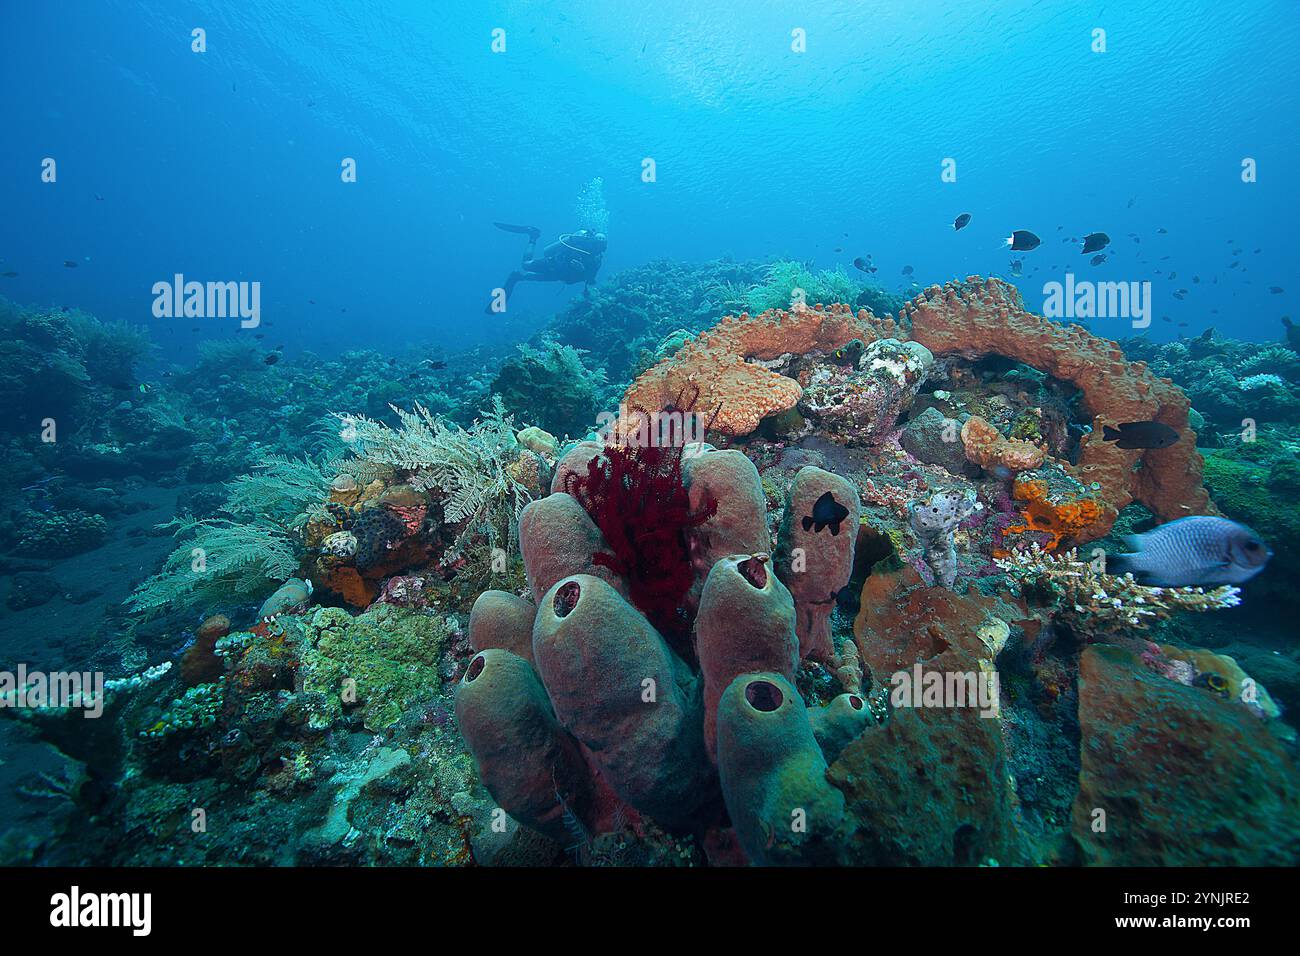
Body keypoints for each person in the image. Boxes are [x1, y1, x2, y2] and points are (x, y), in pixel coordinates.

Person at [488, 222, 607, 311]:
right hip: (553, 264)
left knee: (525, 276)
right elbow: (553, 251)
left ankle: (515, 279)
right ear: (592, 241)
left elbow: (591, 280)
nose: (597, 249)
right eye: (597, 244)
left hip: (558, 276)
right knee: (526, 265)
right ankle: (533, 236)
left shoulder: (596, 260)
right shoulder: (579, 244)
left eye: (601, 247)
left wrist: (582, 270)